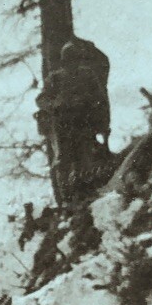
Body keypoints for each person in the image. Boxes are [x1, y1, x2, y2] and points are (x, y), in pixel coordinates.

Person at [36, 37, 113, 206]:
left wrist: (102, 123)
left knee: (85, 156)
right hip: (63, 125)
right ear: (64, 61)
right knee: (64, 160)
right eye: (69, 60)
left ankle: (84, 192)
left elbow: (100, 99)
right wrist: (56, 104)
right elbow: (41, 99)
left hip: (83, 123)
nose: (72, 64)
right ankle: (67, 197)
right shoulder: (54, 78)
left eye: (75, 59)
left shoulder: (87, 75)